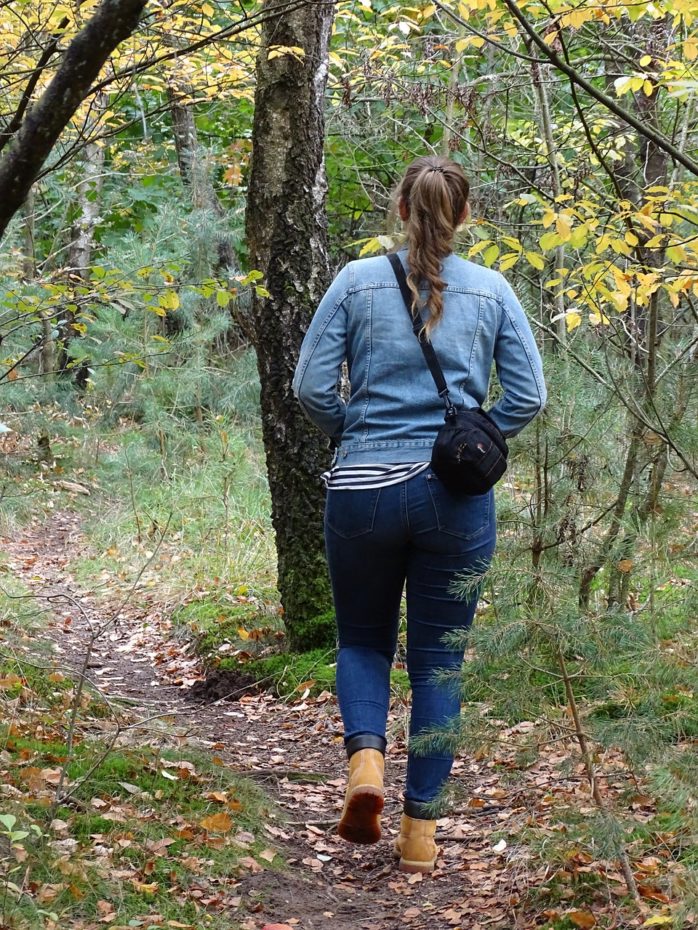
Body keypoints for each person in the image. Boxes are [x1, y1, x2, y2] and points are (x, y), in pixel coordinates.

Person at [292, 155, 546, 874]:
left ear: (401, 209)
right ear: (464, 217)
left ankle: (365, 765)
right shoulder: (493, 291)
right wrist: (471, 439)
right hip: (453, 498)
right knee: (439, 663)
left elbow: (310, 387)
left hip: (361, 490)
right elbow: (528, 397)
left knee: (363, 642)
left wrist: (353, 432)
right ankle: (421, 839)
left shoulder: (353, 282)